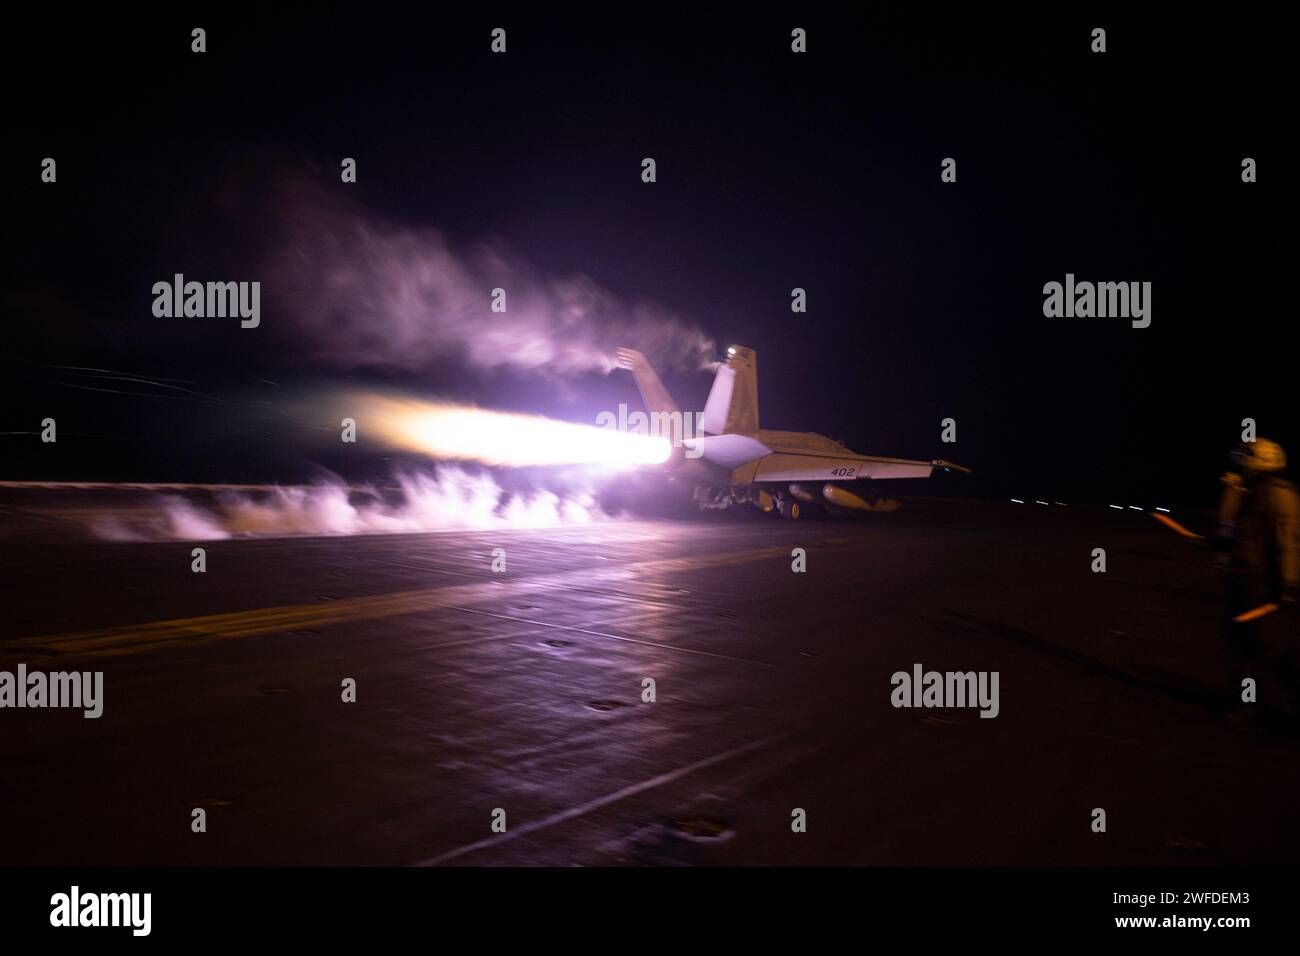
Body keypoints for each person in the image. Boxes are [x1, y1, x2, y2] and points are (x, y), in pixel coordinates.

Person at [1215, 438, 1299, 722]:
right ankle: (1248, 705)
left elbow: (1286, 542)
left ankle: (1264, 705)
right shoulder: (1248, 492)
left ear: (1260, 461)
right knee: (1243, 648)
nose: (1241, 465)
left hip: (1258, 585)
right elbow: (1236, 534)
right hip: (1241, 581)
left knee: (1261, 650)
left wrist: (1286, 585)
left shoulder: (1278, 494)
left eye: (1246, 460)